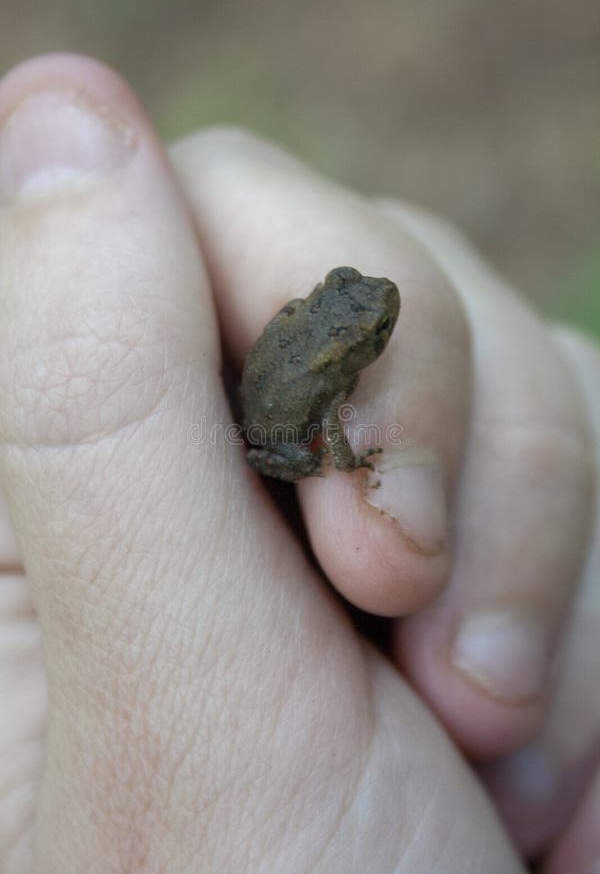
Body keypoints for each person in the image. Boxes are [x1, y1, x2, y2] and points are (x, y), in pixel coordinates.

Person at [0, 53, 598, 874]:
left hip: (276, 398)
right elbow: (325, 431)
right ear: (354, 348)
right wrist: (348, 466)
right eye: (370, 335)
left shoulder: (325, 350)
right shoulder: (335, 378)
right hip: (270, 437)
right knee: (318, 452)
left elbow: (303, 351)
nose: (377, 330)